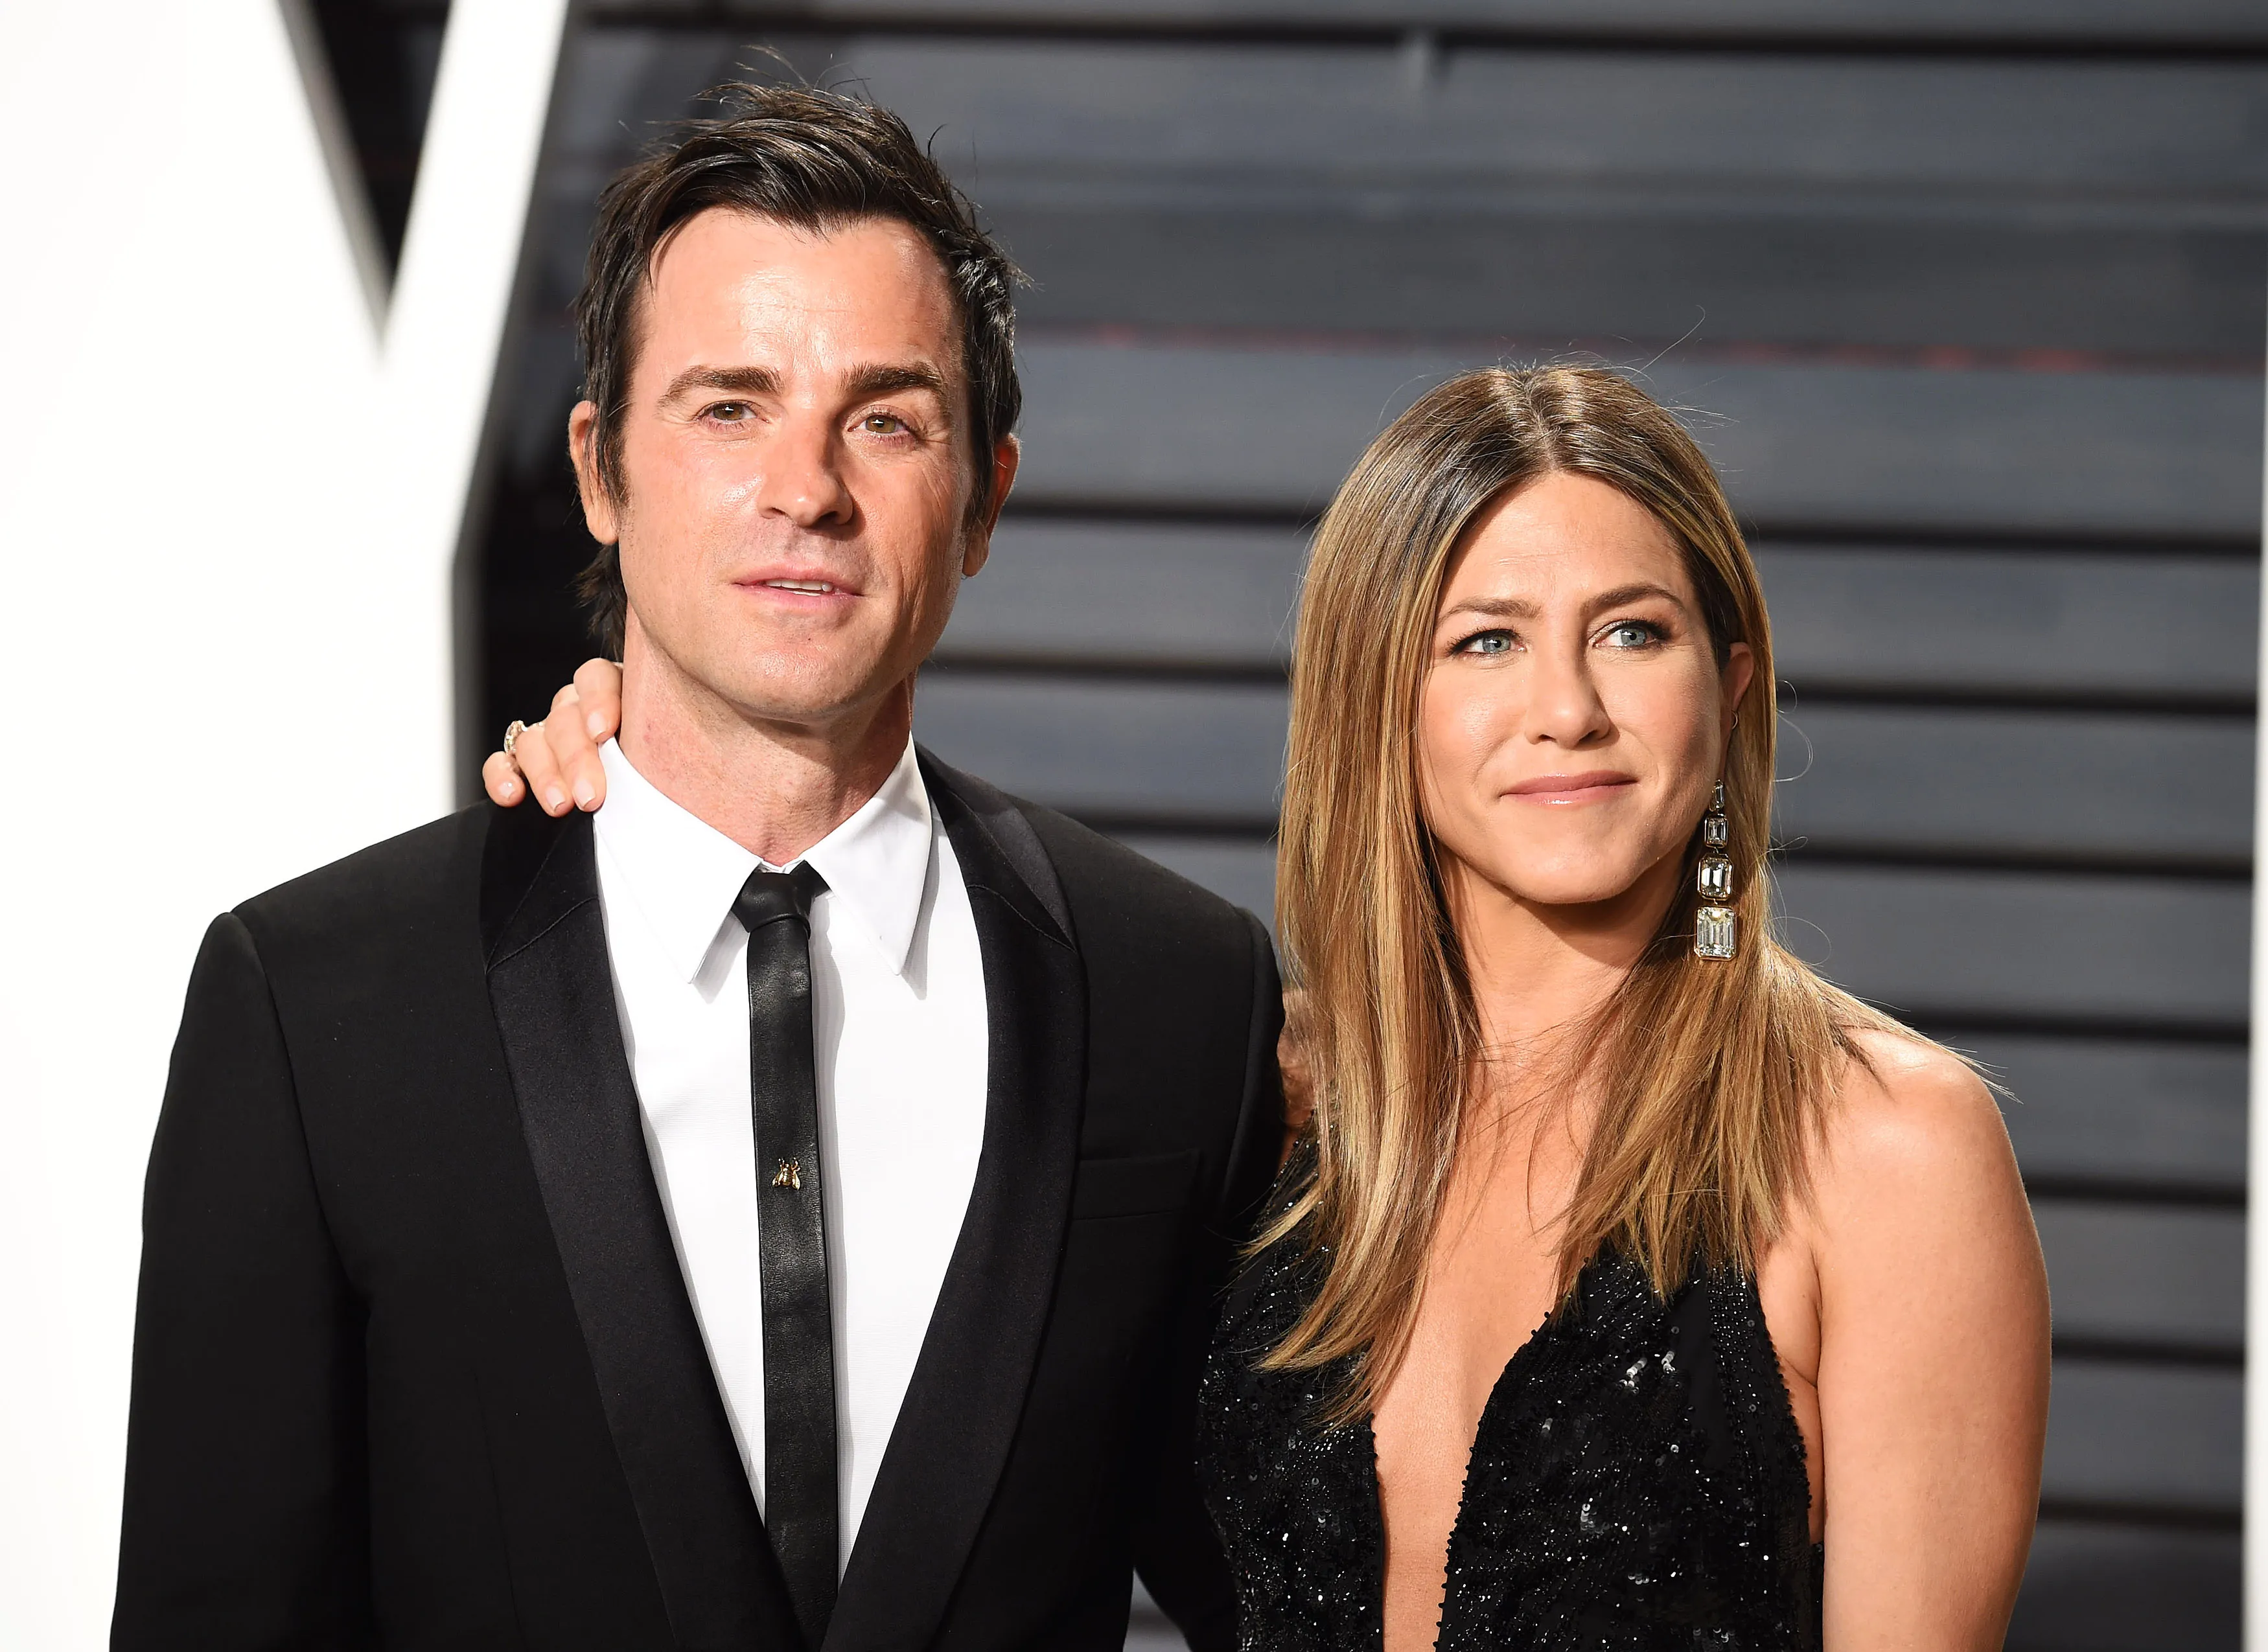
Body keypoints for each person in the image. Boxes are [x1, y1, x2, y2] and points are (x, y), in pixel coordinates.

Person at [504, 364, 2052, 1651]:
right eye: (1485, 640)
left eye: (1631, 633)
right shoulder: (1271, 1103)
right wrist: (646, 742)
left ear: (1727, 685)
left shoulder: (1883, 1150)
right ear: (1382, 702)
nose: (1567, 707)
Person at [113, 86, 1280, 1652]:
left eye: (885, 416)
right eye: (729, 405)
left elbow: (1296, 1594)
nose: (807, 486)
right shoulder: (318, 1009)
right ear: (602, 470)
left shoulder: (1180, 996)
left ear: (986, 495)